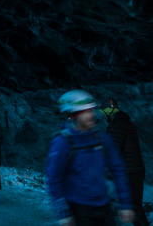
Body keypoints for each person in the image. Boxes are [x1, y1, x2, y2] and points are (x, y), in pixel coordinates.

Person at [47, 90, 135, 226]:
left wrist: (126, 204)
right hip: (79, 209)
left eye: (92, 111)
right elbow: (54, 179)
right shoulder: (63, 143)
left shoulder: (101, 138)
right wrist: (63, 213)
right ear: (75, 115)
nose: (92, 115)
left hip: (104, 206)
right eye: (86, 112)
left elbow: (118, 169)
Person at [102, 99, 148, 226]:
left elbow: (112, 150)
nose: (103, 114)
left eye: (104, 111)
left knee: (132, 206)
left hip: (129, 172)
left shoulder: (116, 125)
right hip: (135, 170)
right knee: (134, 206)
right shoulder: (125, 123)